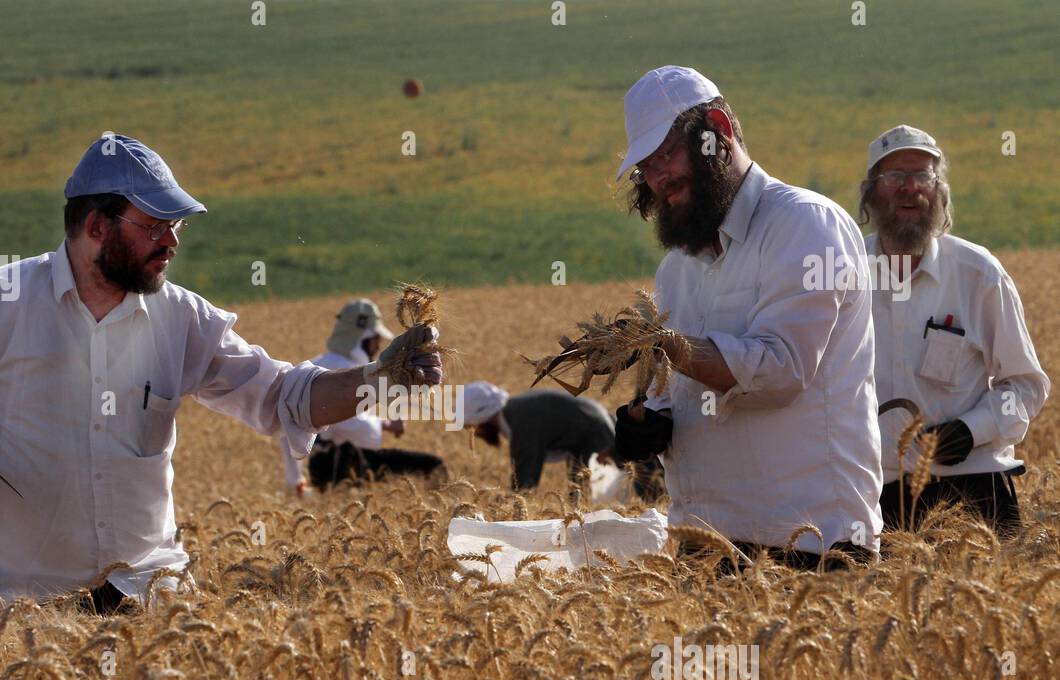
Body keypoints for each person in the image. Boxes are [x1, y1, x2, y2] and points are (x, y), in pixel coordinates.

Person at [0, 134, 441, 613]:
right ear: (97, 225)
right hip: (17, 616)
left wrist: (382, 378)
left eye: (176, 227)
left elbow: (283, 397)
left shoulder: (183, 318)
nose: (172, 242)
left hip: (151, 606)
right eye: (155, 226)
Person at [611, 66, 883, 571]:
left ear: (718, 128)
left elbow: (781, 371)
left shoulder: (804, 225)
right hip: (706, 545)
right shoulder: (676, 270)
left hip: (809, 546)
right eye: (644, 167)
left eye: (666, 154)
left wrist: (669, 345)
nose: (657, 178)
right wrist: (648, 424)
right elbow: (673, 392)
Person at [860, 125, 1049, 536]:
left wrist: (971, 429)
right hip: (874, 495)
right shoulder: (844, 272)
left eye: (924, 176)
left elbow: (1027, 386)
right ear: (871, 193)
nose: (910, 188)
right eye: (894, 177)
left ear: (939, 191)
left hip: (974, 491)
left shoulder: (978, 274)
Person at [281, 298, 445, 494]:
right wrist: (387, 424)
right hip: (341, 465)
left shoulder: (312, 366)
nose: (378, 347)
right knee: (433, 467)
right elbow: (356, 429)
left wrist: (295, 479)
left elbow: (286, 425)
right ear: (364, 338)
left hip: (320, 466)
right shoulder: (347, 370)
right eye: (376, 339)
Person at [461, 381, 630, 494]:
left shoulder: (521, 421)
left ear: (483, 418)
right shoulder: (515, 412)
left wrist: (510, 508)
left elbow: (525, 482)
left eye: (473, 427)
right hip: (590, 430)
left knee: (595, 504)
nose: (476, 433)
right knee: (579, 498)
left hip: (597, 436)